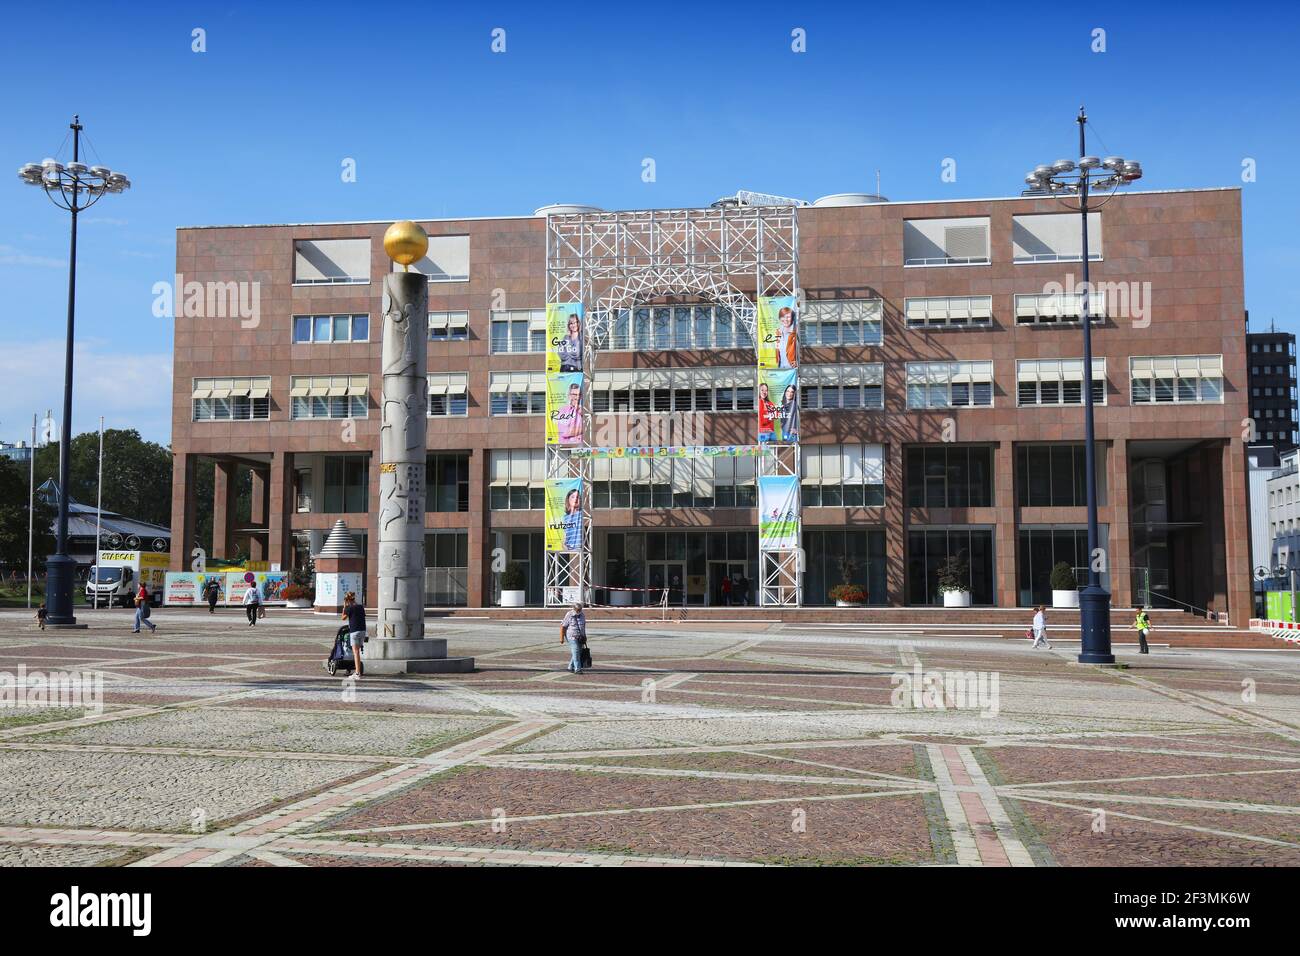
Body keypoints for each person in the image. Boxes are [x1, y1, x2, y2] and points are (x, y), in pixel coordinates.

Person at [341, 591, 366, 679]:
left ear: (347, 600)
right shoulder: (360, 607)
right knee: (358, 652)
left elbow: (343, 618)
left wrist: (344, 607)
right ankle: (358, 671)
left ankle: (357, 673)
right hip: (363, 630)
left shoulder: (349, 607)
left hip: (354, 631)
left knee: (356, 652)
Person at [560, 601, 587, 674]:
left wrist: (585, 636)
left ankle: (570, 666)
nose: (579, 611)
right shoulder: (569, 614)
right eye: (578, 610)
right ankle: (577, 669)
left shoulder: (582, 615)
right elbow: (563, 626)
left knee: (579, 652)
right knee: (576, 652)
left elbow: (583, 626)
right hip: (571, 637)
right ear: (574, 609)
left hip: (580, 637)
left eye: (580, 610)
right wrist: (561, 638)